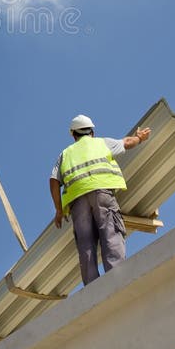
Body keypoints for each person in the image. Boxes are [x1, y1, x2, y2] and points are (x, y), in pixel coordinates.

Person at [49, 114, 151, 285]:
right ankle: (118, 278)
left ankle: (92, 287)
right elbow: (126, 142)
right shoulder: (102, 143)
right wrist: (139, 138)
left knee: (85, 245)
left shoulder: (65, 154)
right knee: (110, 234)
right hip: (102, 193)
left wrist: (59, 210)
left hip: (77, 201)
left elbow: (53, 181)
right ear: (92, 132)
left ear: (73, 135)